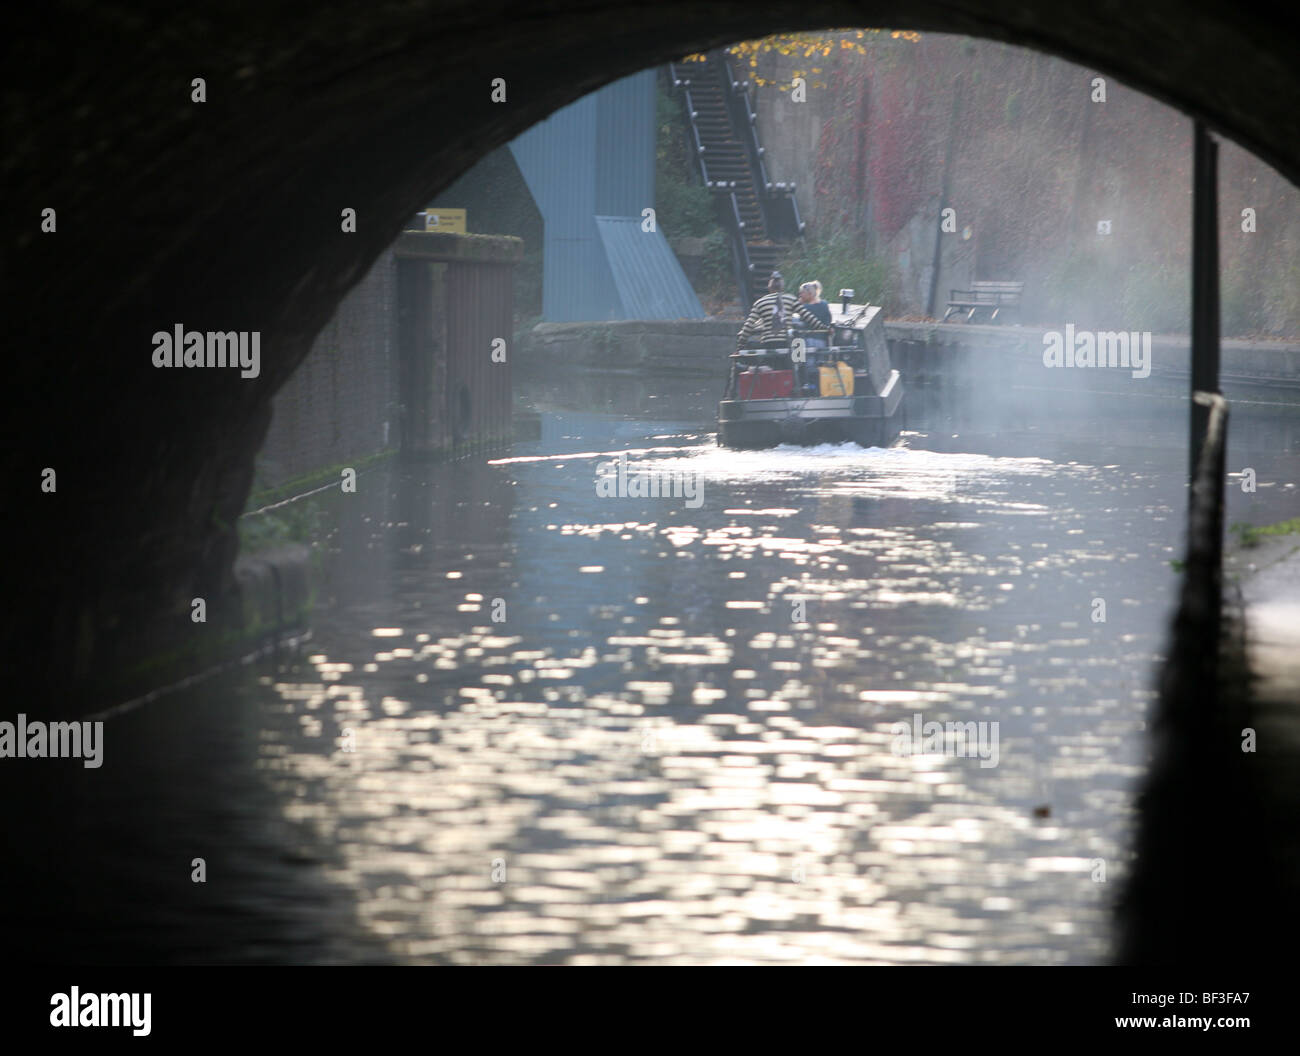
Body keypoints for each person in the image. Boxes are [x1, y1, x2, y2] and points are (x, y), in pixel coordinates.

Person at [735, 271, 823, 349]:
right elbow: (809, 317)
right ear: (782, 287)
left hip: (768, 344)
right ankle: (799, 367)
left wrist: (741, 344)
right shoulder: (791, 299)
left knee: (751, 346)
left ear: (769, 288)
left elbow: (748, 325)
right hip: (788, 344)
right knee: (798, 344)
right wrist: (824, 328)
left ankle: (758, 367)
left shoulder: (760, 302)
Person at [797, 281, 832, 348]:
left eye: (802, 293)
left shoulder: (805, 308)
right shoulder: (824, 304)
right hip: (823, 342)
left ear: (810, 294)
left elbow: (801, 323)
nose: (800, 295)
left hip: (808, 341)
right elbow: (828, 321)